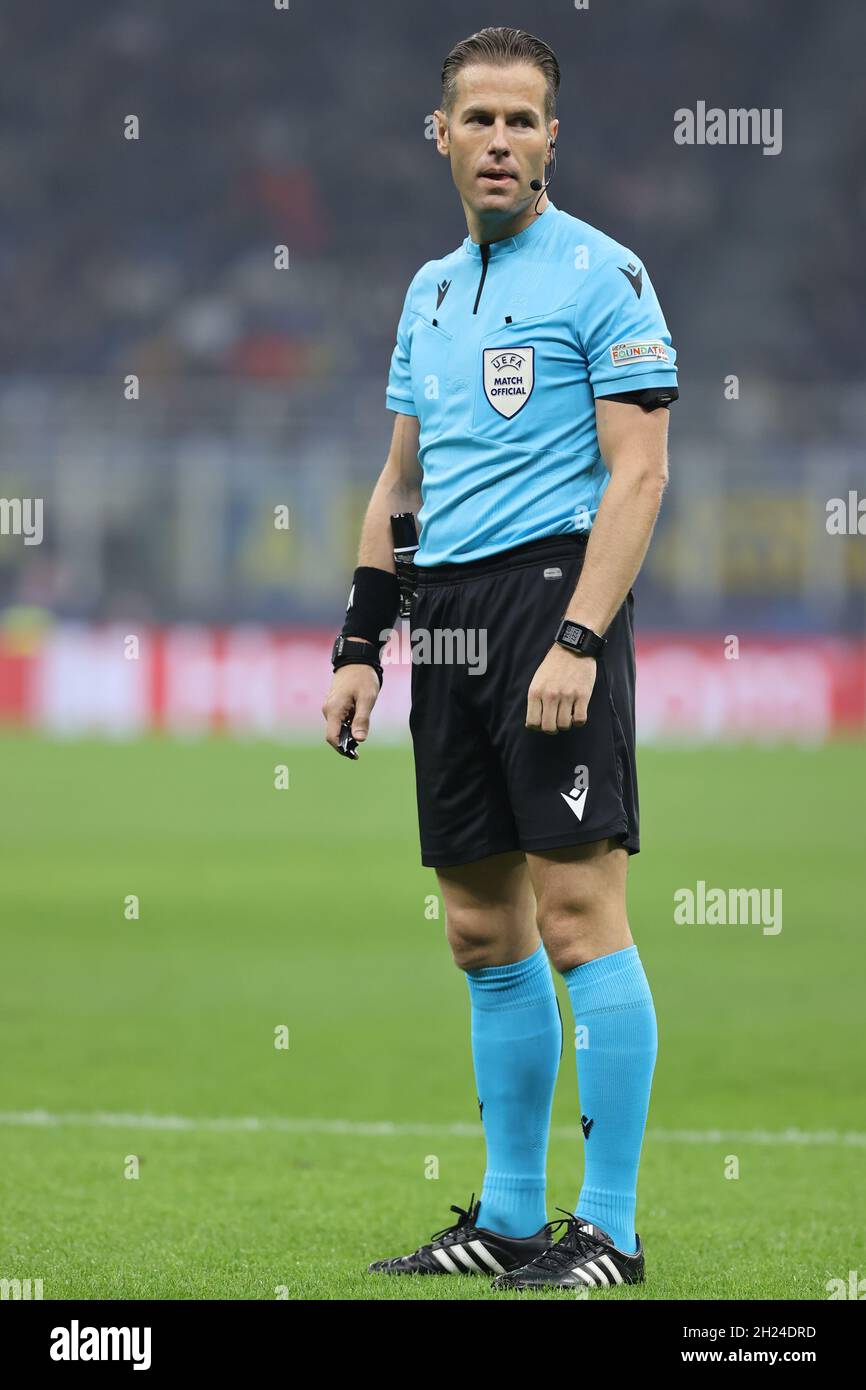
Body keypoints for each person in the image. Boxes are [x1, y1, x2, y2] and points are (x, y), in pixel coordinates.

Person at [321, 25, 678, 1291]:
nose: (499, 141)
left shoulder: (603, 274)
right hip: (449, 617)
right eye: (477, 118)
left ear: (550, 139)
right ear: (441, 135)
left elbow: (639, 473)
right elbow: (397, 484)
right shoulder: (427, 290)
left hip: (548, 597)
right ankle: (513, 1220)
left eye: (522, 120)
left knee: (579, 916)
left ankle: (612, 1231)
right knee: (481, 929)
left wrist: (580, 629)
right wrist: (362, 643)